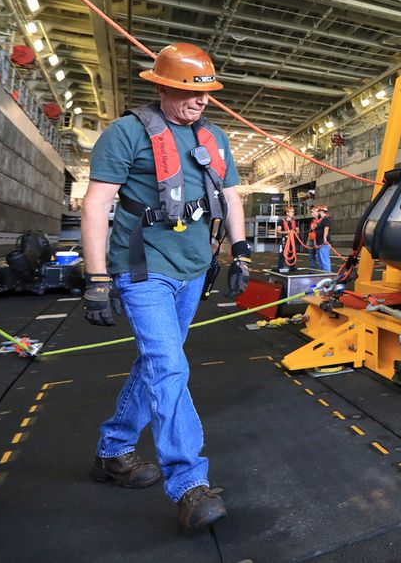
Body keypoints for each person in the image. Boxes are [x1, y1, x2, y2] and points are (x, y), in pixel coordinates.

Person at [80, 42, 250, 534]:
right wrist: (95, 278)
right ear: (161, 86)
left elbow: (233, 196)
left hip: (193, 268)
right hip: (142, 267)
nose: (199, 102)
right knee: (170, 365)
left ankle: (113, 450)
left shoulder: (214, 137)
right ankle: (189, 483)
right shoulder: (127, 134)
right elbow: (96, 206)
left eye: (205, 94)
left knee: (158, 361)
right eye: (187, 92)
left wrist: (238, 253)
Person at [276, 205, 300, 273]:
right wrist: (288, 232)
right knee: (282, 254)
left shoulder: (294, 222)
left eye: (293, 212)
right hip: (284, 240)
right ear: (287, 213)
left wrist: (293, 232)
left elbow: (297, 231)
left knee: (292, 254)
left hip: (292, 241)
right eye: (291, 212)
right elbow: (278, 231)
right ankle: (280, 267)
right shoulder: (281, 221)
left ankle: (292, 267)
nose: (293, 213)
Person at [309, 205, 332, 273]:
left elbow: (326, 228)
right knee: (320, 261)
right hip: (319, 244)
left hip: (323, 244)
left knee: (324, 261)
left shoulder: (326, 219)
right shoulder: (320, 221)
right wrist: (315, 243)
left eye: (318, 211)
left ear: (321, 211)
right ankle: (322, 275)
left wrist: (324, 238)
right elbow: (316, 232)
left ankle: (327, 275)